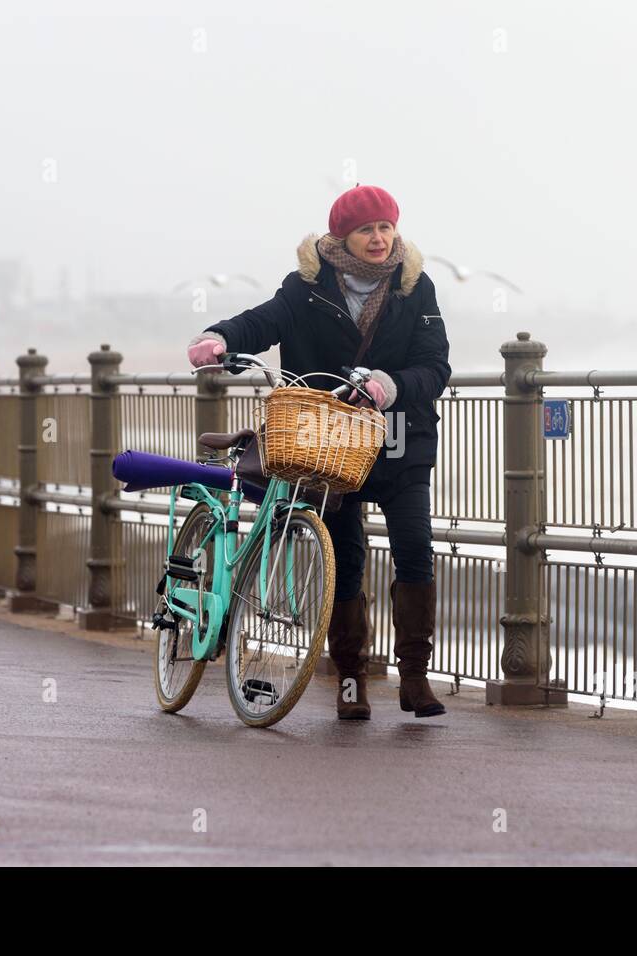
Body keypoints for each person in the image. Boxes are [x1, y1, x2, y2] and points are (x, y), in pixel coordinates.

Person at [185, 184, 451, 720]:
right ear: (341, 237)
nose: (378, 239)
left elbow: (435, 365)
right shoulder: (306, 286)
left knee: (416, 550)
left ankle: (416, 679)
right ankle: (350, 683)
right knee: (345, 563)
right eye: (365, 230)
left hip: (400, 443)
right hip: (328, 446)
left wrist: (388, 385)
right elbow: (264, 321)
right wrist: (218, 336)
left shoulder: (415, 287)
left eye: (385, 227)